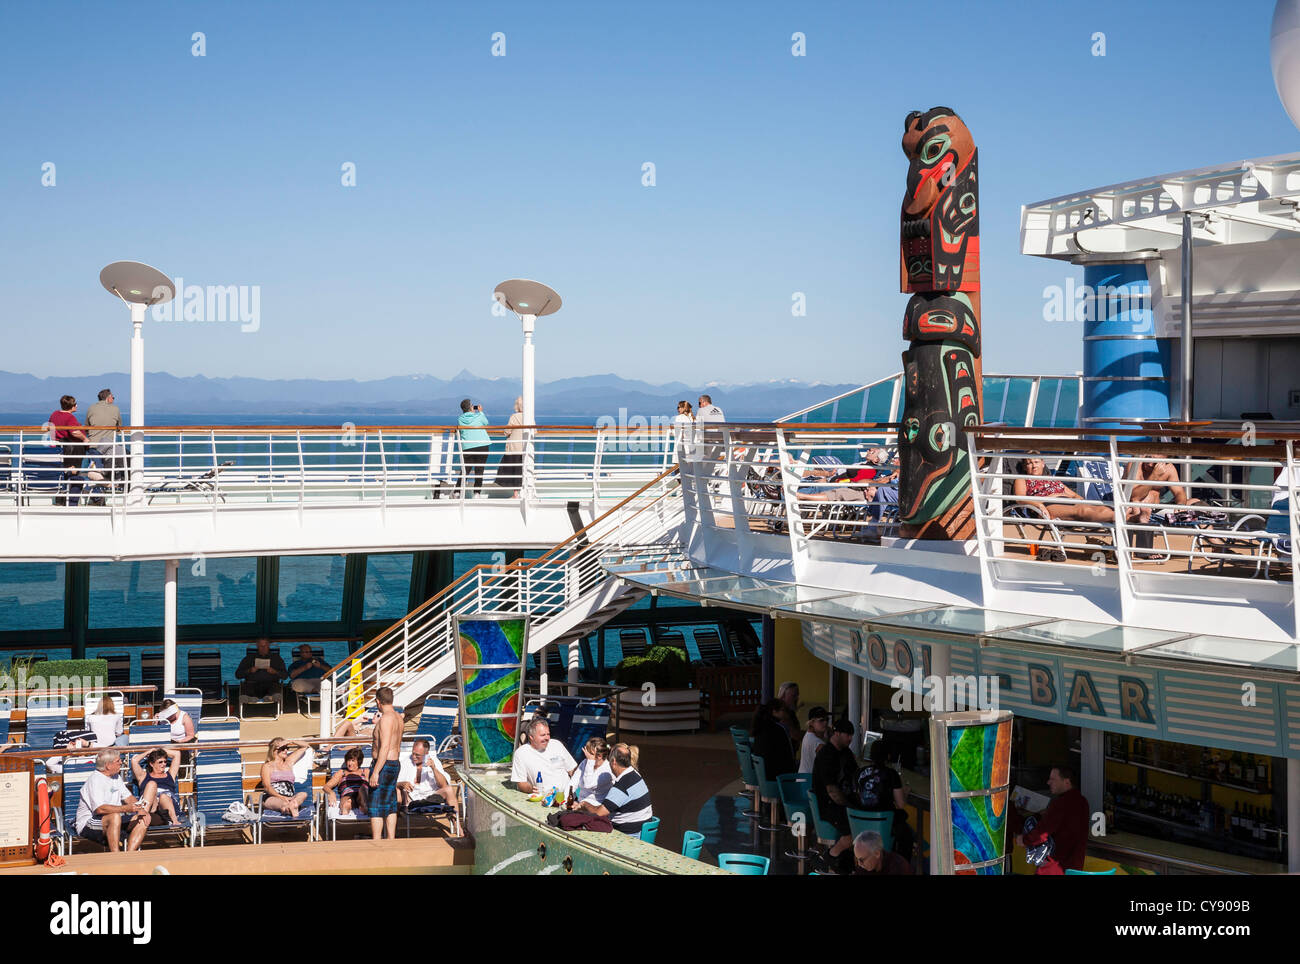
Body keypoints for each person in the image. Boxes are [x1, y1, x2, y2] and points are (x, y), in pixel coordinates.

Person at [1013, 764, 1090, 875]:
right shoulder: (1083, 802)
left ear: (1067, 782)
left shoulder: (1061, 803)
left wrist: (1024, 840)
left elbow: (1042, 833)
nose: (1048, 782)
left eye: (1053, 779)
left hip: (1054, 867)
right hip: (1074, 867)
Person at [76, 748, 150, 852]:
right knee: (114, 817)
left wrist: (141, 810)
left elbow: (128, 797)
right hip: (88, 823)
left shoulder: (116, 777)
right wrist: (126, 808)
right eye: (118, 761)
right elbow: (100, 809)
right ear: (108, 765)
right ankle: (116, 856)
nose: (121, 762)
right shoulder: (95, 780)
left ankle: (130, 855)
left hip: (112, 820)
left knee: (142, 819)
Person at [811, 719, 860, 873]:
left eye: (852, 735)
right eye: (847, 735)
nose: (850, 739)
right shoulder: (826, 754)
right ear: (837, 733)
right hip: (829, 806)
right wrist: (851, 807)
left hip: (841, 803)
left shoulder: (845, 752)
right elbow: (832, 791)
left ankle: (850, 864)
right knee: (856, 831)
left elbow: (856, 772)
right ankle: (831, 855)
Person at [856, 739, 915, 859]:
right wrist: (906, 792)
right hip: (884, 826)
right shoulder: (892, 774)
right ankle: (900, 867)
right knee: (907, 835)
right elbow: (900, 804)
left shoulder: (859, 773)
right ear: (888, 756)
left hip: (861, 825)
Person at [576, 742, 652, 834]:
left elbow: (599, 813)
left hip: (630, 834)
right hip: (641, 829)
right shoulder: (635, 775)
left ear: (614, 762)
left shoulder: (622, 786)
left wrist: (584, 804)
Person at [368, 686, 403, 839]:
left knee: (376, 806)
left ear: (378, 701)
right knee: (390, 803)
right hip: (394, 763)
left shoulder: (386, 719)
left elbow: (385, 746)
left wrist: (375, 772)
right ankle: (391, 840)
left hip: (383, 765)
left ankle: (377, 842)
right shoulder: (398, 717)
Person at [511, 717, 577, 796]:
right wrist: (532, 789)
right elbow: (521, 783)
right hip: (544, 798)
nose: (547, 738)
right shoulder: (521, 753)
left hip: (567, 795)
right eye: (543, 735)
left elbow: (572, 770)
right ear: (531, 737)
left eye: (548, 734)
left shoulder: (556, 744)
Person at [48, 394, 93, 506]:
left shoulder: (54, 414)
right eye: (75, 404)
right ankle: (72, 504)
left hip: (59, 450)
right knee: (76, 476)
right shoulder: (70, 417)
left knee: (64, 475)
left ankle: (61, 500)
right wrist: (85, 438)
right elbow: (74, 432)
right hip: (72, 451)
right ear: (72, 406)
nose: (77, 405)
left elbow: (50, 428)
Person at [397, 737, 456, 808]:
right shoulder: (405, 762)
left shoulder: (434, 761)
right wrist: (401, 784)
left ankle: (455, 817)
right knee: (396, 790)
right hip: (410, 799)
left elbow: (443, 785)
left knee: (449, 790)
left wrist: (434, 768)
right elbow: (392, 783)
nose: (414, 757)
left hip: (430, 797)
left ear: (426, 753)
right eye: (413, 753)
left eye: (417, 755)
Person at [261, 737, 311, 818]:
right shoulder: (267, 766)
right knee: (284, 804)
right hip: (272, 797)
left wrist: (291, 741)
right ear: (274, 750)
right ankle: (291, 808)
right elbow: (267, 787)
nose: (286, 751)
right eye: (283, 748)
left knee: (303, 794)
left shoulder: (288, 762)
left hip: (290, 797)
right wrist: (282, 797)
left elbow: (305, 746)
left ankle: (291, 806)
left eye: (287, 748)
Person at [130, 747, 182, 826]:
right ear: (151, 764)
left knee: (163, 796)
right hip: (150, 804)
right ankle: (145, 815)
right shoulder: (143, 776)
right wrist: (149, 751)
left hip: (167, 805)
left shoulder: (170, 775)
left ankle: (174, 821)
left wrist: (159, 750)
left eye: (165, 761)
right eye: (160, 762)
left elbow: (177, 754)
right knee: (152, 786)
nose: (164, 764)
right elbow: (134, 761)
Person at [750, 699, 796, 779]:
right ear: (774, 711)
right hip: (777, 778)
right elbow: (788, 757)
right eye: (783, 710)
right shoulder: (779, 729)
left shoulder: (760, 726)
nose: (786, 712)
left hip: (762, 775)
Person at [85, 388, 122, 483]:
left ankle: (96, 493)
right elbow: (119, 427)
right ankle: (108, 487)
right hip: (109, 447)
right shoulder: (115, 409)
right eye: (113, 397)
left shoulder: (91, 408)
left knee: (95, 471)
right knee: (110, 470)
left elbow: (87, 427)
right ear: (108, 398)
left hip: (94, 445)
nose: (113, 400)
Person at [566, 736, 613, 808]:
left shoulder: (607, 770)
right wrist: (565, 800)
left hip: (596, 807)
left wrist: (590, 762)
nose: (586, 755)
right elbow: (573, 783)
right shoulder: (585, 762)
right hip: (579, 803)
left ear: (599, 756)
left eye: (589, 754)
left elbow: (588, 784)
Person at [458, 398, 491, 497]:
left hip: (468, 447)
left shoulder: (460, 419)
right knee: (479, 470)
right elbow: (486, 423)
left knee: (465, 470)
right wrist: (481, 412)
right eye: (472, 405)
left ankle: (457, 492)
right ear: (471, 408)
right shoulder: (479, 417)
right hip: (482, 445)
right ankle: (477, 493)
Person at [325, 746, 370, 817]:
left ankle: (364, 808)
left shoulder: (365, 771)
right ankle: (344, 817)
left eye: (353, 760)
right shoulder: (342, 773)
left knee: (363, 789)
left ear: (358, 761)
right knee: (347, 803)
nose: (349, 763)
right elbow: (326, 787)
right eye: (348, 760)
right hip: (347, 796)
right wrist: (331, 793)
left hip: (362, 797)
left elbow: (372, 785)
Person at [494, 396, 526, 497]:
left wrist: (506, 432)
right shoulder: (529, 417)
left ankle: (515, 494)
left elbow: (507, 431)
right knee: (522, 469)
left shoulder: (514, 417)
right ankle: (523, 492)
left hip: (514, 448)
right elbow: (534, 431)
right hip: (525, 448)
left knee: (513, 469)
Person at [799, 706, 829, 774]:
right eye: (821, 720)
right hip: (808, 781)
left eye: (827, 719)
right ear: (811, 723)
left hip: (804, 780)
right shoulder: (817, 742)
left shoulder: (809, 735)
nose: (826, 722)